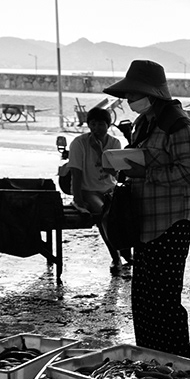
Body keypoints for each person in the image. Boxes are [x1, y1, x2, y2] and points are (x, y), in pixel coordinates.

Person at [102, 60, 190, 357]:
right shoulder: (146, 121)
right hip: (146, 224)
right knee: (144, 303)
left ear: (152, 93)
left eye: (134, 94)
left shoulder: (177, 124)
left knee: (164, 304)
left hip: (171, 225)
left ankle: (176, 366)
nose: (129, 100)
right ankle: (151, 363)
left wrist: (145, 174)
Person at [66, 106, 126, 274]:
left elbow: (114, 172)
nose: (96, 129)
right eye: (93, 124)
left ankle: (126, 251)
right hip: (89, 190)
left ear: (108, 125)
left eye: (101, 124)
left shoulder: (114, 143)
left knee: (126, 210)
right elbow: (76, 174)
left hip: (109, 188)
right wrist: (78, 199)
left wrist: (100, 152)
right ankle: (116, 257)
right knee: (103, 214)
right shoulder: (79, 143)